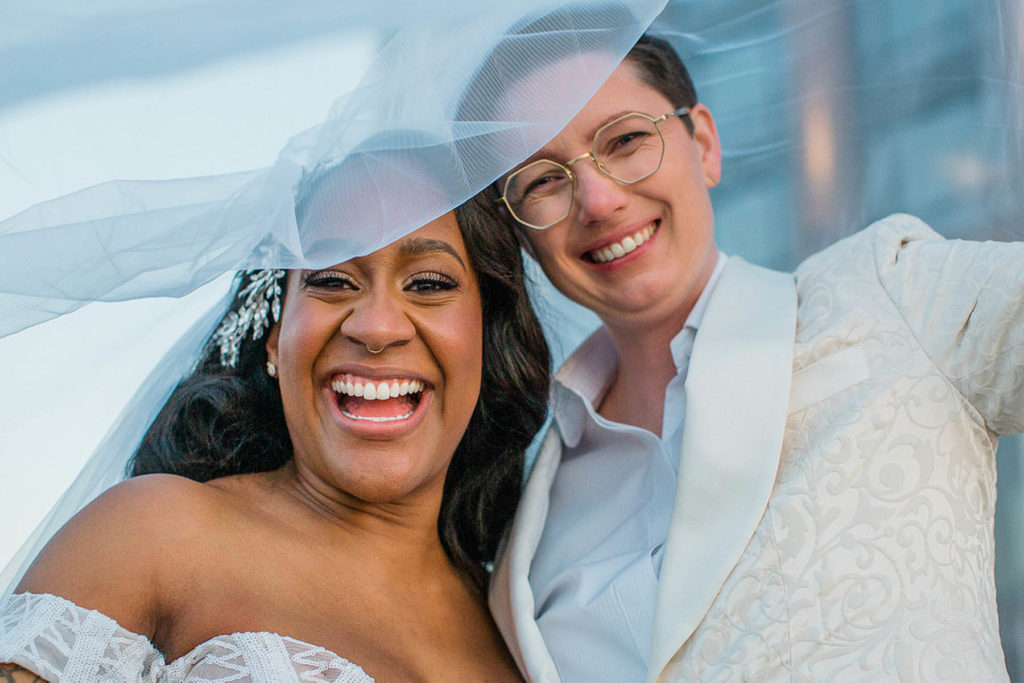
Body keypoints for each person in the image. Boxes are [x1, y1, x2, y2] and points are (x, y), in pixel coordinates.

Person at [483, 34, 1024, 682]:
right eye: (543, 180)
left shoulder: (890, 292)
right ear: (521, 233)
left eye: (626, 140)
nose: (597, 201)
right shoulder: (525, 527)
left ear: (704, 145)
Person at [0, 161, 551, 680]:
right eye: (332, 279)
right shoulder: (158, 536)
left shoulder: (521, 623)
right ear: (273, 339)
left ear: (486, 339)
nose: (377, 327)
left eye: (429, 283)